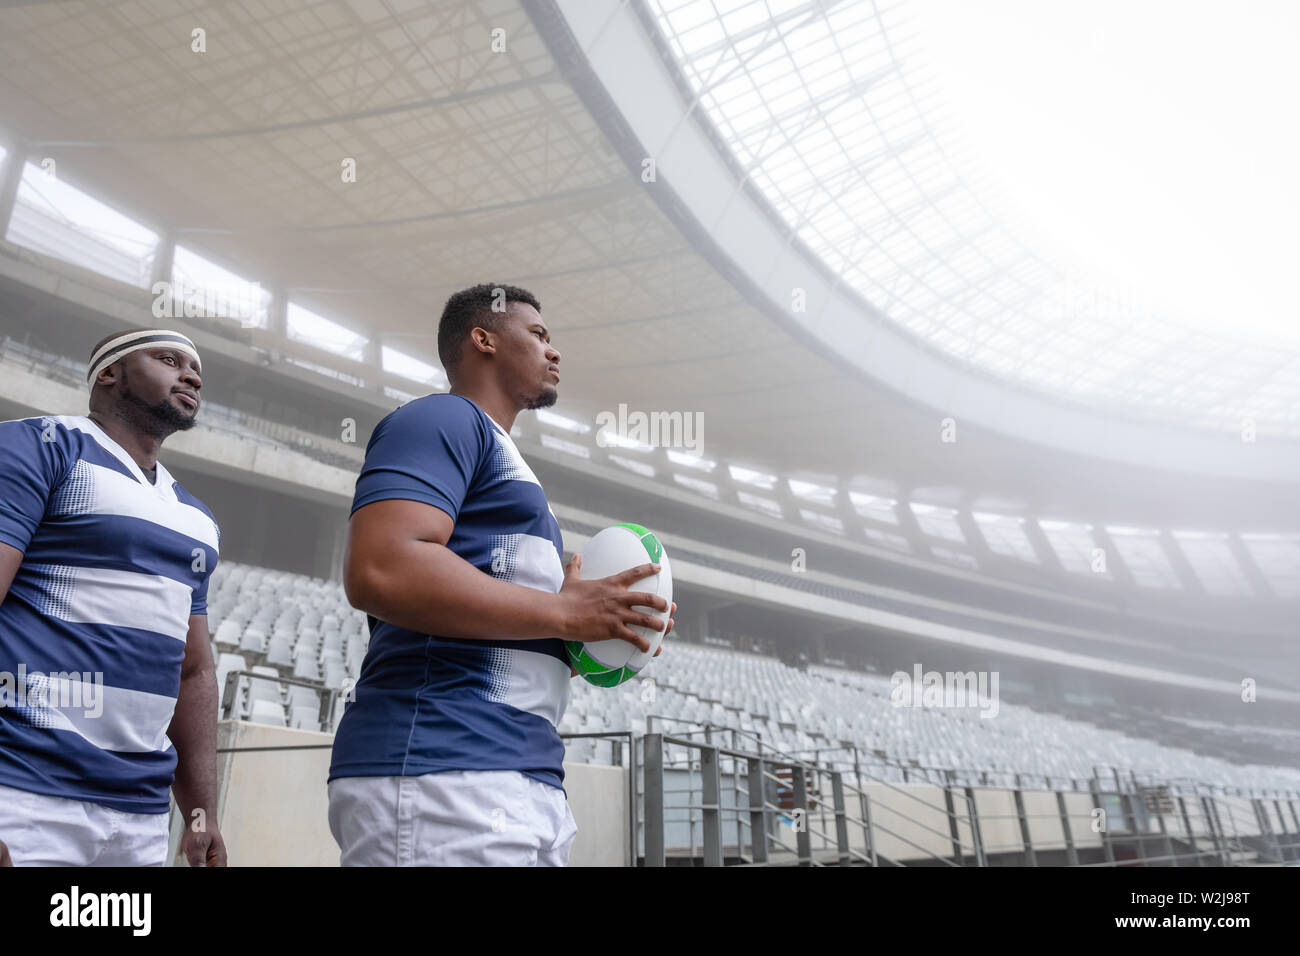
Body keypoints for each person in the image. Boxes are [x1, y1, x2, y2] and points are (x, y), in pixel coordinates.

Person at [328, 283, 675, 866]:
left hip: (521, 773)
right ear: (483, 339)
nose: (553, 350)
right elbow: (381, 568)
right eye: (537, 334)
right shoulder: (442, 418)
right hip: (444, 764)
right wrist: (564, 611)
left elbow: (515, 629)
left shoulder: (515, 471)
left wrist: (605, 626)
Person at [0, 328, 226, 866]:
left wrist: (201, 815)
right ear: (109, 372)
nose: (191, 375)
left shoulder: (197, 516)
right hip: (25, 793)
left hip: (140, 816)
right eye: (169, 359)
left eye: (196, 369)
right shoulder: (38, 446)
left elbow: (193, 672)